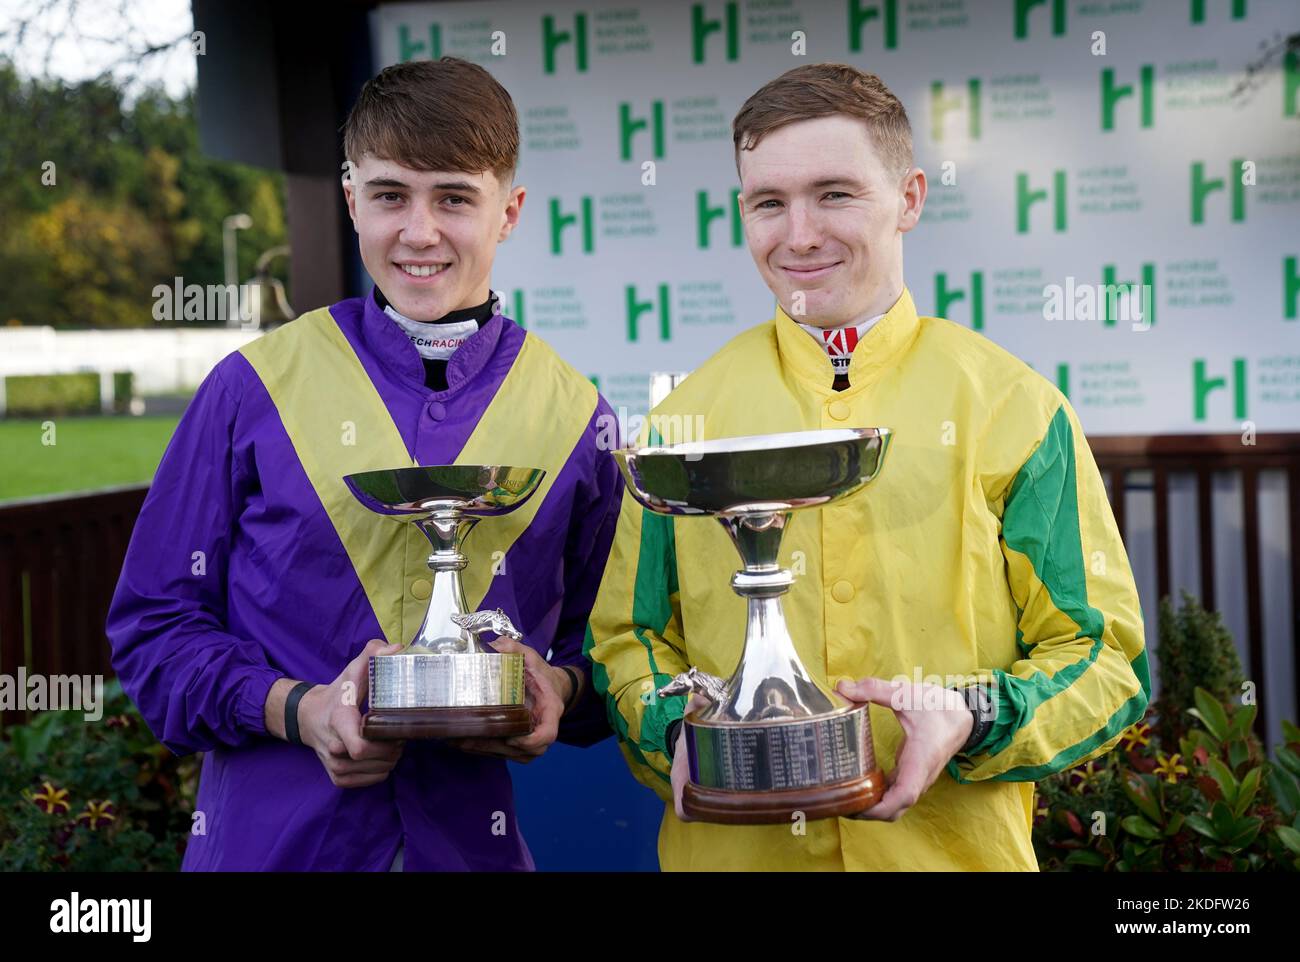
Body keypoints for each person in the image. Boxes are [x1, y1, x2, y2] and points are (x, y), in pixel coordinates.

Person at [584, 63, 1149, 871]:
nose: (800, 234)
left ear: (910, 198)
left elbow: (1102, 655)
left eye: (835, 194)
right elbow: (627, 642)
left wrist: (970, 714)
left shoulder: (1015, 407)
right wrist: (673, 731)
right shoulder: (683, 419)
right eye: (768, 203)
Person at [107, 57, 622, 871]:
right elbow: (152, 632)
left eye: (454, 197)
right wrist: (294, 709)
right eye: (390, 196)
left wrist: (559, 690)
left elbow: (615, 647)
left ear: (510, 211)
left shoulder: (576, 417)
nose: (419, 232)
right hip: (268, 849)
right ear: (353, 201)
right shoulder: (250, 390)